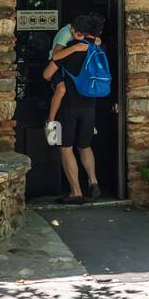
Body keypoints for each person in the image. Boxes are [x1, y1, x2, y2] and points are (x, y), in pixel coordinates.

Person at [42, 13, 105, 204]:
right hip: (89, 105)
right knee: (85, 145)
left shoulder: (70, 50)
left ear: (79, 33)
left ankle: (76, 192)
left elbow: (47, 74)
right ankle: (93, 181)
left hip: (68, 106)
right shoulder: (98, 50)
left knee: (66, 148)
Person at [44, 18, 101, 147]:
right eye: (79, 35)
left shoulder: (79, 35)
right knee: (61, 89)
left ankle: (88, 124)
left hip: (62, 65)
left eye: (83, 36)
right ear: (73, 30)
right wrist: (76, 47)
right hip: (54, 66)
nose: (81, 38)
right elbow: (55, 55)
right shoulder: (66, 34)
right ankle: (51, 122)